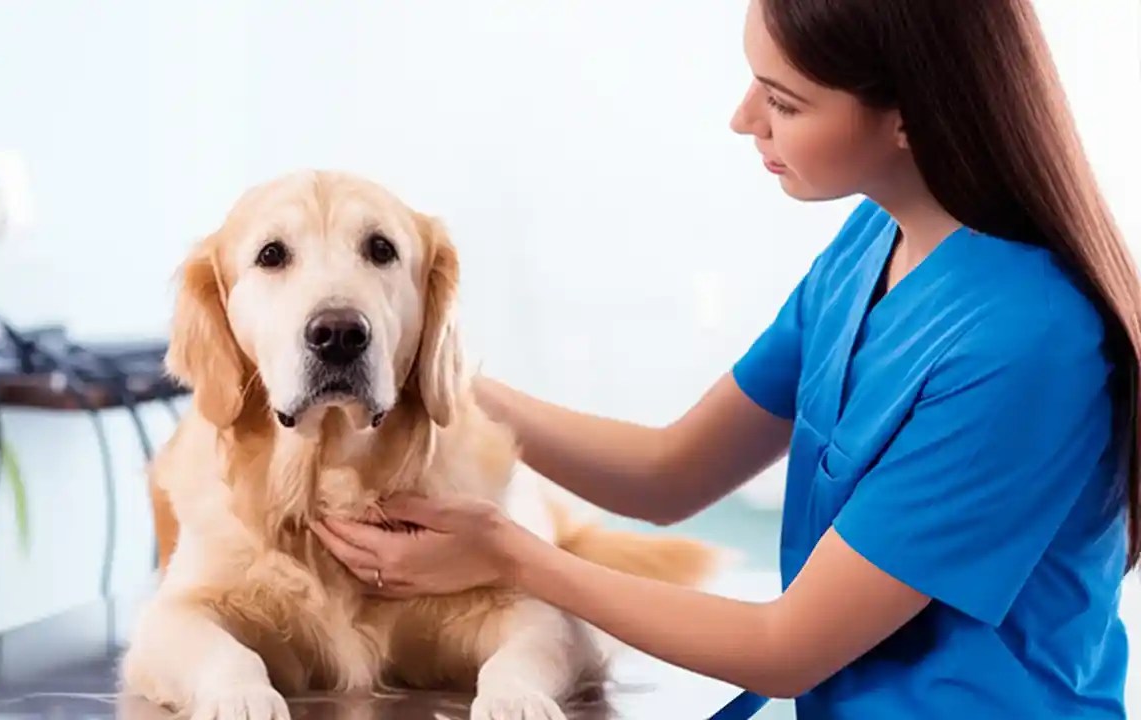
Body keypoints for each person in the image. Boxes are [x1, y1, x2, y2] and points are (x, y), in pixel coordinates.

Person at [310, 0, 1141, 717]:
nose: (744, 119)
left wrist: (507, 552)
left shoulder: (1028, 345)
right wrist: (441, 379)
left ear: (907, 113)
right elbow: (672, 472)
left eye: (783, 101)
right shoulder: (870, 249)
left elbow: (788, 648)